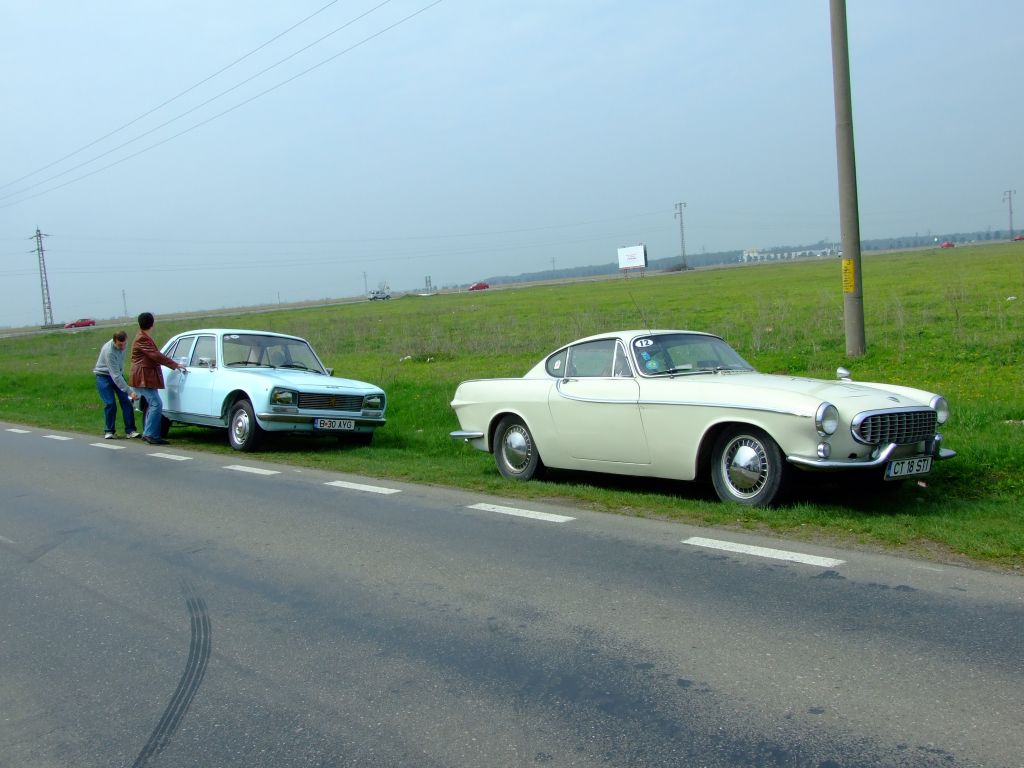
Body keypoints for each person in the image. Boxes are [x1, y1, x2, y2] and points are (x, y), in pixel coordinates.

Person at [129, 312, 187, 445]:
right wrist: (175, 364)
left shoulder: (142, 337)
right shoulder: (142, 339)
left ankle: (150, 433)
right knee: (156, 404)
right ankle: (149, 434)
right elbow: (155, 355)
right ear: (152, 323)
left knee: (154, 403)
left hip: (145, 377)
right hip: (142, 377)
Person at [93, 330, 140, 439]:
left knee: (126, 402)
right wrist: (130, 391)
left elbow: (120, 367)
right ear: (114, 342)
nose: (122, 347)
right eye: (119, 344)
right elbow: (115, 375)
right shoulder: (109, 351)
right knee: (110, 403)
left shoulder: (124, 344)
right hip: (104, 376)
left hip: (117, 374)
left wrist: (128, 392)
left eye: (124, 344)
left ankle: (130, 430)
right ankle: (109, 431)